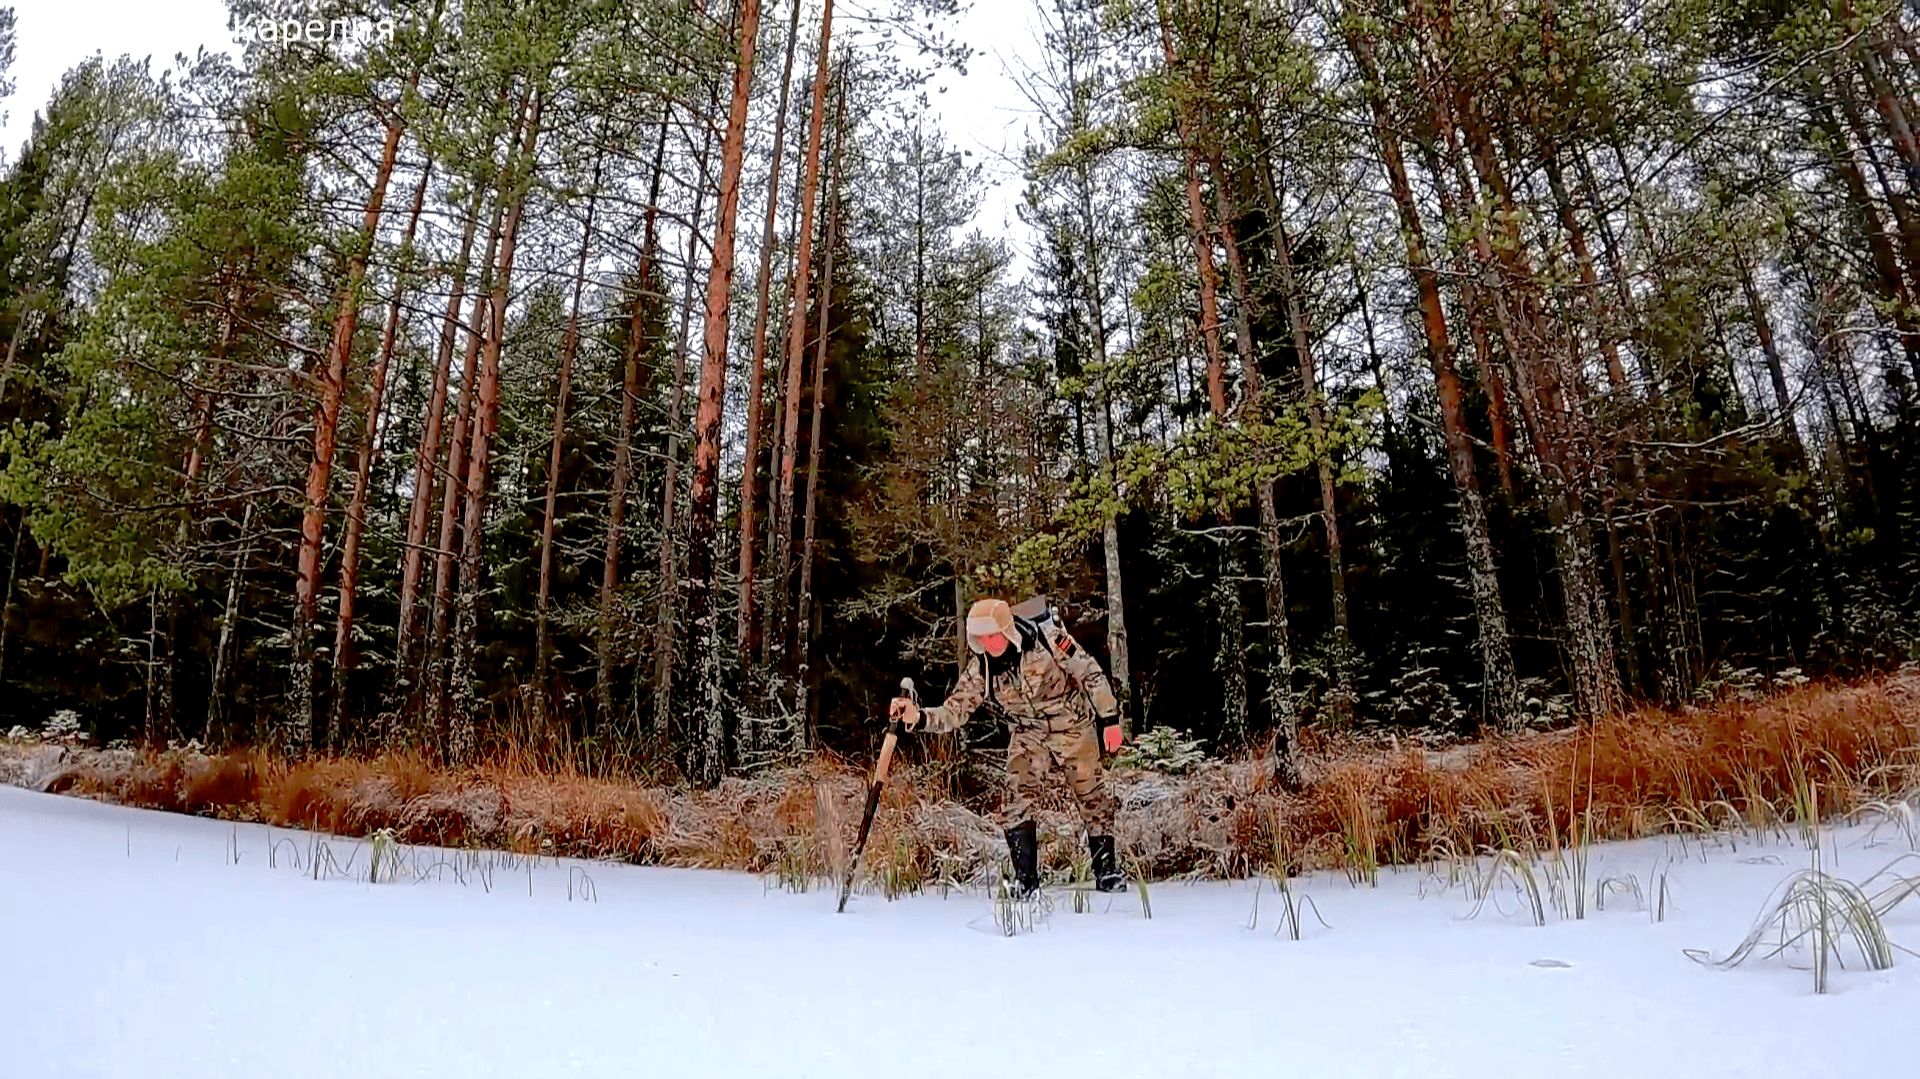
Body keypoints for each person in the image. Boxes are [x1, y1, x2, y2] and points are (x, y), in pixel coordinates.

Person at [889, 597, 1128, 897]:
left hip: (1072, 724)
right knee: (1015, 798)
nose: (988, 643)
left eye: (992, 635)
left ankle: (1106, 871)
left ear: (1006, 630)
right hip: (1028, 731)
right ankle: (1025, 880)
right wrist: (918, 717)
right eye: (981, 638)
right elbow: (954, 711)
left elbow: (1090, 674)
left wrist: (1110, 719)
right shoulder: (983, 668)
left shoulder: (1049, 640)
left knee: (1092, 796)